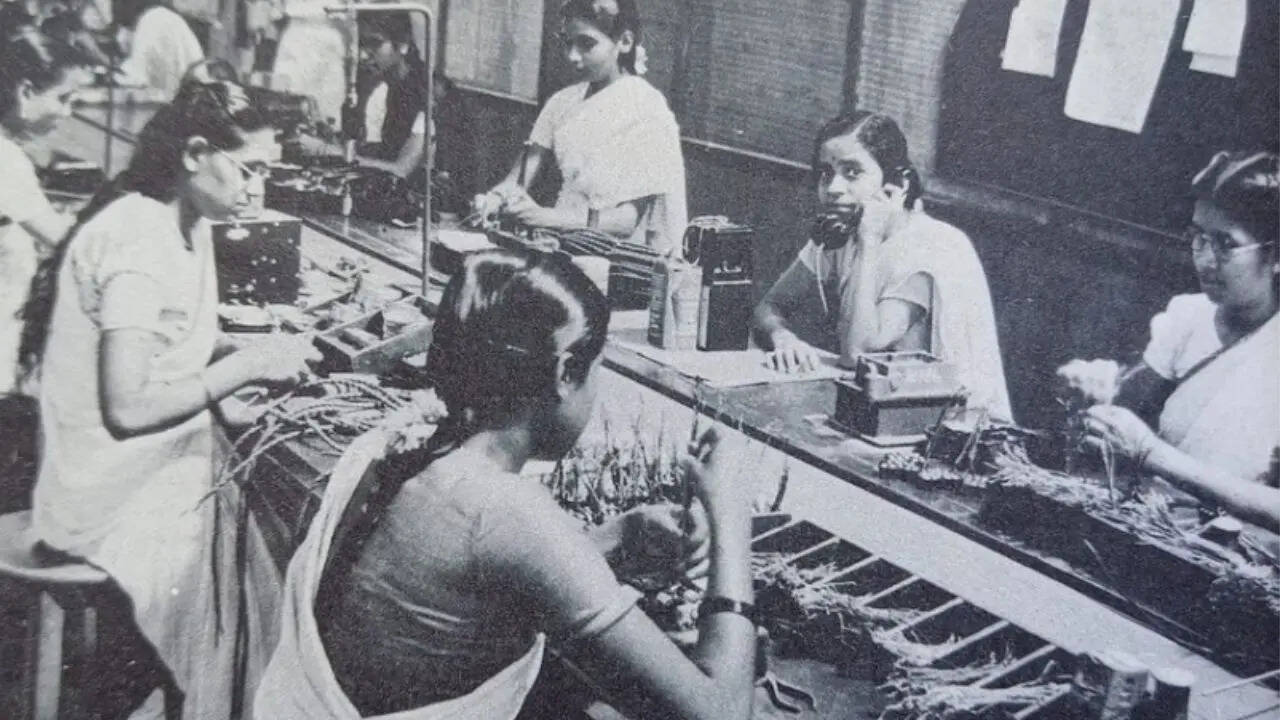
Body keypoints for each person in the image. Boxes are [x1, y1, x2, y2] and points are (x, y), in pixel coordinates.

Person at [256, 248, 756, 720]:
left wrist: (611, 537)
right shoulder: (508, 511)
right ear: (565, 372)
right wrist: (731, 516)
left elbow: (464, 581)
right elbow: (720, 714)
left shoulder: (398, 451)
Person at [20, 80, 320, 718]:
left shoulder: (185, 219)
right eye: (249, 169)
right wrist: (243, 367)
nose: (257, 189)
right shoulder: (138, 243)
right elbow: (126, 409)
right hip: (99, 495)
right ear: (194, 153)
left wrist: (219, 400)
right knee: (251, 561)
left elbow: (167, 354)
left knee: (250, 540)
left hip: (126, 472)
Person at [1065, 151, 1279, 532]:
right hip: (1157, 533)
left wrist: (1155, 455)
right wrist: (1091, 390)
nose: (1204, 260)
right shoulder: (1189, 317)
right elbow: (1123, 414)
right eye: (1198, 238)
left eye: (1225, 244)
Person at [753, 110, 1012, 420]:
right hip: (881, 411)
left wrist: (870, 242)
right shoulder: (841, 229)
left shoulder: (936, 249)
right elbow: (769, 306)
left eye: (852, 172)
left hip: (944, 425)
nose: (834, 187)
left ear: (898, 183)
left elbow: (858, 354)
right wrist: (784, 338)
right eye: (826, 173)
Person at [474, 0, 687, 252]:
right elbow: (518, 180)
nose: (572, 56)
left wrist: (546, 217)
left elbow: (626, 221)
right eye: (568, 43)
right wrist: (495, 198)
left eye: (586, 44)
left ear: (625, 42)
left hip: (621, 258)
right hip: (562, 242)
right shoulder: (562, 102)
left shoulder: (647, 109)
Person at [0, 12, 89, 394]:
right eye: (64, 98)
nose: (68, 113)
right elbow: (67, 242)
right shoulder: (6, 159)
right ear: (25, 92)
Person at [114, 0, 204, 99]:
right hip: (194, 98)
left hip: (171, 102)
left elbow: (135, 80)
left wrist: (115, 70)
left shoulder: (148, 24)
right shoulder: (173, 18)